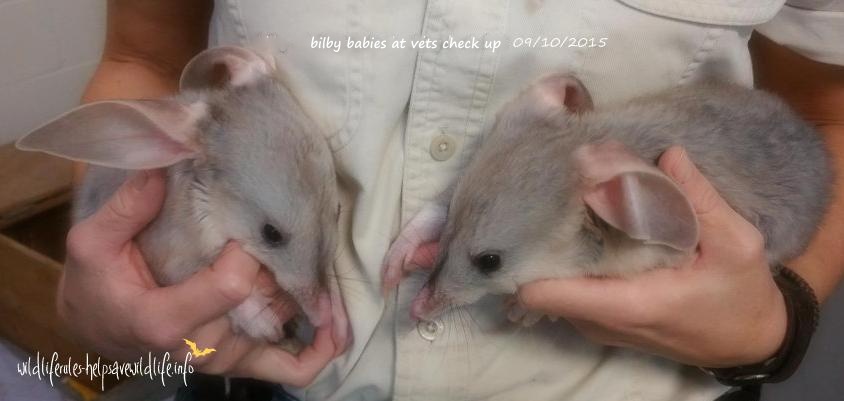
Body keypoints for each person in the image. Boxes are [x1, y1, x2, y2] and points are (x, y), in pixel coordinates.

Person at [58, 1, 844, 400]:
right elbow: (143, 57)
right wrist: (101, 313)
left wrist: (782, 317)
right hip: (250, 378)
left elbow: (825, 118)